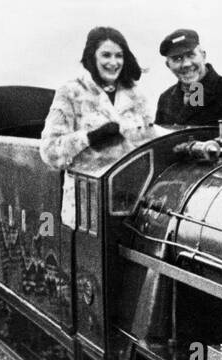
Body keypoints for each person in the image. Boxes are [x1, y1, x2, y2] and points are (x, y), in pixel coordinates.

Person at [40, 25, 154, 228]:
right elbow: (49, 151)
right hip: (87, 208)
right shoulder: (70, 92)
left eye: (119, 56)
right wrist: (90, 137)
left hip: (132, 203)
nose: (113, 62)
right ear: (92, 57)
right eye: (106, 55)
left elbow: (151, 142)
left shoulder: (137, 95)